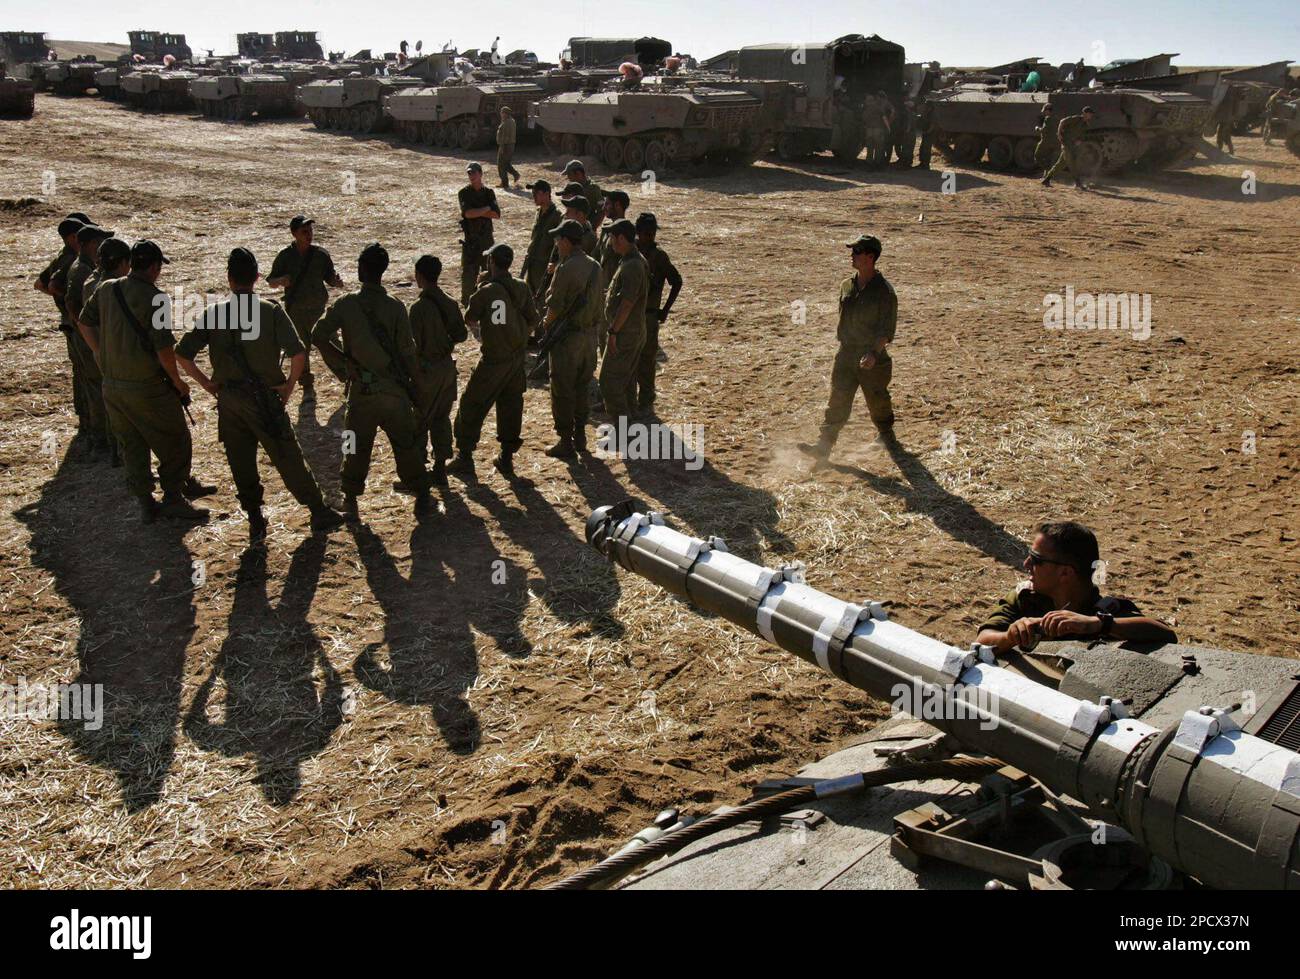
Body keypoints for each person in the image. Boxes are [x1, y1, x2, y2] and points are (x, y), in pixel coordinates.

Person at [176, 248, 345, 542]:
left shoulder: (213, 313)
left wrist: (208, 385)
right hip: (265, 399)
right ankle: (318, 511)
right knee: (288, 458)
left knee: (240, 460)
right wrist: (289, 386)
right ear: (256, 277)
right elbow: (298, 353)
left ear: (229, 279)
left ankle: (255, 517)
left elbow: (183, 354)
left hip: (229, 401)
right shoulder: (270, 311)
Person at [77, 240, 215, 524]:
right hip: (147, 387)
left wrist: (99, 352)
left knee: (132, 444)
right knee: (175, 439)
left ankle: (145, 502)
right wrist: (179, 383)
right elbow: (165, 350)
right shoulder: (157, 299)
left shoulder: (107, 288)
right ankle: (175, 497)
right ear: (154, 267)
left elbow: (83, 321)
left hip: (113, 386)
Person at [311, 243, 435, 521]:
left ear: (361, 269)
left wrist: (344, 366)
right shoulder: (395, 307)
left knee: (353, 445)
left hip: (361, 393)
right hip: (393, 391)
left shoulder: (346, 304)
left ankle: (351, 497)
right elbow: (408, 354)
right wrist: (420, 391)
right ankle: (422, 493)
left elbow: (318, 335)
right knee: (405, 445)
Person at [975, 522, 1177, 655]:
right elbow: (982, 640)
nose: (1026, 563)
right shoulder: (1025, 598)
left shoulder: (1106, 610)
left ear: (1065, 573)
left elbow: (1165, 634)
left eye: (1036, 560)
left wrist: (1096, 624)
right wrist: (1010, 636)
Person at [798, 235, 896, 465]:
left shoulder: (885, 291)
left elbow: (887, 328)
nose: (851, 256)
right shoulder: (847, 285)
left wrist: (874, 353)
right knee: (837, 399)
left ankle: (886, 435)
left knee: (877, 399)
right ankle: (823, 446)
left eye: (857, 252)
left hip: (871, 355)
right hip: (846, 353)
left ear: (870, 257)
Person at [450, 243, 538, 480]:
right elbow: (533, 319)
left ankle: (465, 457)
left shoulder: (487, 291)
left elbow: (470, 317)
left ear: (491, 263)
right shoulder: (521, 286)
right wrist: (516, 335)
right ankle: (506, 458)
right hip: (516, 359)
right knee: (511, 406)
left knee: (472, 404)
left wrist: (479, 285)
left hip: (493, 360)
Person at [540, 220, 603, 458]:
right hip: (589, 338)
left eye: (558, 240)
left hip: (568, 339)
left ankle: (565, 441)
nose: (556, 244)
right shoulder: (595, 266)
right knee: (581, 386)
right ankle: (581, 436)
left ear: (566, 241)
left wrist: (545, 327)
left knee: (562, 389)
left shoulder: (565, 269)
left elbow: (554, 307)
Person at [267, 215, 344, 400]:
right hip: (296, 310)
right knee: (301, 349)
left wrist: (337, 282)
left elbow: (330, 277)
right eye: (304, 231)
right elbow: (270, 280)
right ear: (294, 234)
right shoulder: (285, 256)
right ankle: (306, 385)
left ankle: (347, 376)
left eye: (310, 231)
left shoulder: (321, 255)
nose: (309, 234)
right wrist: (280, 281)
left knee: (331, 344)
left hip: (318, 309)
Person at [408, 255, 467, 486]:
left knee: (419, 421)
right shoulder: (450, 302)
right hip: (446, 368)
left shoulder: (418, 308)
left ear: (420, 276)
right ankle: (440, 469)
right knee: (442, 419)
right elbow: (461, 335)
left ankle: (417, 472)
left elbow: (412, 347)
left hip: (426, 371)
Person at [35, 214, 89, 433]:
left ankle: (85, 418)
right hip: (76, 325)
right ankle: (88, 420)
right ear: (73, 237)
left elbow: (41, 283)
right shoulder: (70, 259)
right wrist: (68, 302)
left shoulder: (67, 256)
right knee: (86, 372)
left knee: (81, 371)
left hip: (71, 323)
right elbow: (43, 284)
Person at [597, 219, 649, 427]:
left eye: (611, 238)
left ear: (620, 238)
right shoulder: (631, 261)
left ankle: (622, 426)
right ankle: (631, 417)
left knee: (608, 382)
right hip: (632, 331)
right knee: (626, 379)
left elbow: (627, 304)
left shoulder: (632, 265)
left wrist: (613, 332)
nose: (609, 242)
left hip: (625, 333)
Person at [633, 212, 682, 412]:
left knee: (646, 360)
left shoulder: (659, 256)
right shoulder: (631, 251)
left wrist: (665, 310)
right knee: (628, 359)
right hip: (632, 314)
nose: (648, 237)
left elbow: (676, 281)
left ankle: (645, 400)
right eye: (645, 233)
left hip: (649, 314)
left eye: (651, 234)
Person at [457, 162, 501, 305]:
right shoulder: (464, 193)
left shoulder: (488, 192)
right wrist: (486, 208)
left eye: (474, 173)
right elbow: (468, 214)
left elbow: (496, 214)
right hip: (471, 241)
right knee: (468, 278)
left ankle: (487, 304)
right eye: (469, 173)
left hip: (487, 241)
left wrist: (478, 211)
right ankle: (468, 306)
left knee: (490, 274)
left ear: (481, 174)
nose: (472, 176)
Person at [522, 178, 562, 300]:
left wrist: (556, 264)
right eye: (533, 193)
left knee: (541, 300)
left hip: (544, 266)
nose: (533, 196)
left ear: (546, 194)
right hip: (532, 263)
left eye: (536, 194)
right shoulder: (538, 212)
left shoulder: (557, 216)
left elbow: (560, 245)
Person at [1042, 106, 1094, 189]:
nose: (1091, 116)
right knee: (1072, 163)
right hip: (1066, 144)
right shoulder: (1076, 119)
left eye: (1091, 114)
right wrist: (1058, 133)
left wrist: (1079, 140)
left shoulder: (1085, 124)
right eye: (1089, 114)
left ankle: (1046, 180)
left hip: (1072, 145)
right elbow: (1062, 121)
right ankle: (1078, 183)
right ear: (1084, 113)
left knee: (1060, 164)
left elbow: (1082, 135)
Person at [559, 160, 604, 230]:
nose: (568, 178)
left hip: (586, 227)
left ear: (578, 173)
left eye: (570, 175)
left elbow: (601, 211)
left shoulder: (593, 189)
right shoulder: (571, 186)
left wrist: (593, 227)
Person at [496, 106, 520, 189]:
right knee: (506, 164)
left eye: (502, 112)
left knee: (501, 165)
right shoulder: (511, 121)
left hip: (505, 146)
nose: (501, 114)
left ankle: (504, 183)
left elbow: (504, 136)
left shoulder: (506, 123)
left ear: (505, 114)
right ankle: (515, 174)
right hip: (510, 145)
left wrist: (502, 147)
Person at [1033, 103, 1059, 171]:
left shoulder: (1048, 118)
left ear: (1048, 111)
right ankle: (1047, 173)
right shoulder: (1056, 117)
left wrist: (1037, 128)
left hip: (1046, 141)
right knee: (1048, 158)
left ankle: (1048, 170)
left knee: (1037, 156)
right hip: (1055, 141)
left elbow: (1044, 130)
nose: (1044, 112)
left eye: (1045, 111)